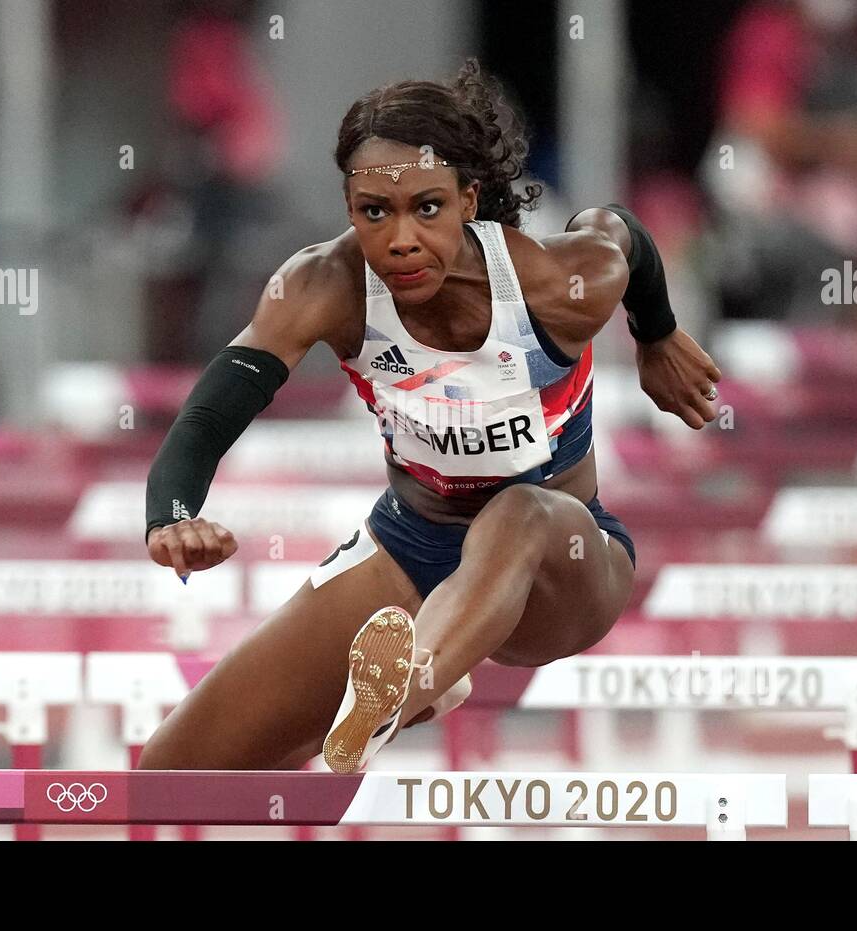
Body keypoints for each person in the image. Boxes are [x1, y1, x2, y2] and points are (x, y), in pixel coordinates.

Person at [137, 60, 721, 775]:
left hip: (563, 565)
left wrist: (657, 334)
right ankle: (406, 684)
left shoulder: (550, 283)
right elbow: (208, 416)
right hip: (413, 549)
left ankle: (406, 685)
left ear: (469, 199)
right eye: (374, 212)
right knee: (171, 772)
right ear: (350, 208)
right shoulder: (324, 284)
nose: (401, 239)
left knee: (518, 513)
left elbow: (622, 236)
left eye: (427, 208)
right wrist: (171, 513)